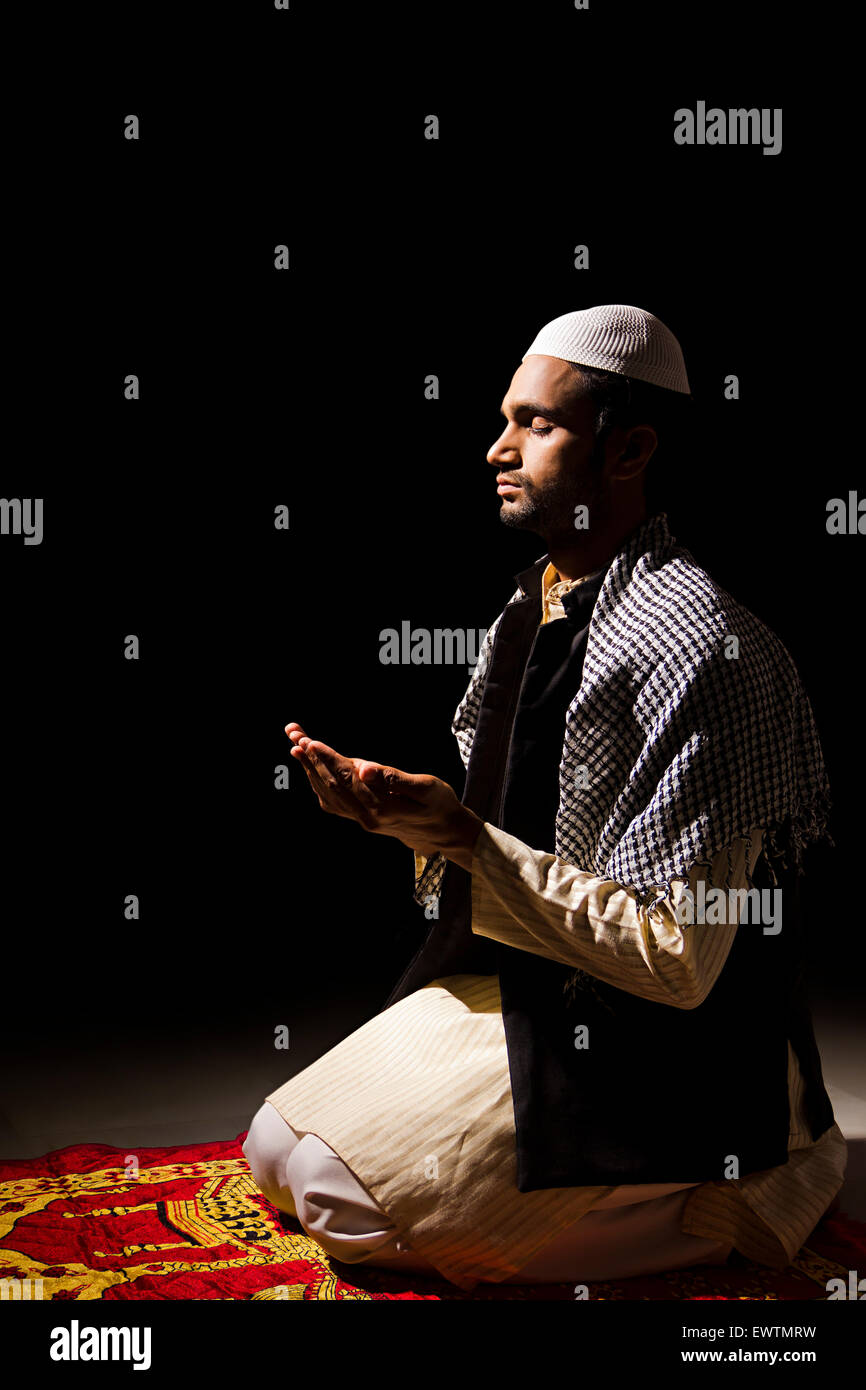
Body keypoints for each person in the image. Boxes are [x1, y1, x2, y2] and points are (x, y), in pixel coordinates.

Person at [243, 305, 846, 1292]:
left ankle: (733, 1193)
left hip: (679, 1039)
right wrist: (413, 827)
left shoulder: (705, 650)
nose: (496, 448)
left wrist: (470, 843)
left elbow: (678, 962)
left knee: (346, 1207)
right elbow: (500, 851)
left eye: (535, 423)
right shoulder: (536, 605)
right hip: (551, 988)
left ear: (630, 449)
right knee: (275, 1146)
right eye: (503, 419)